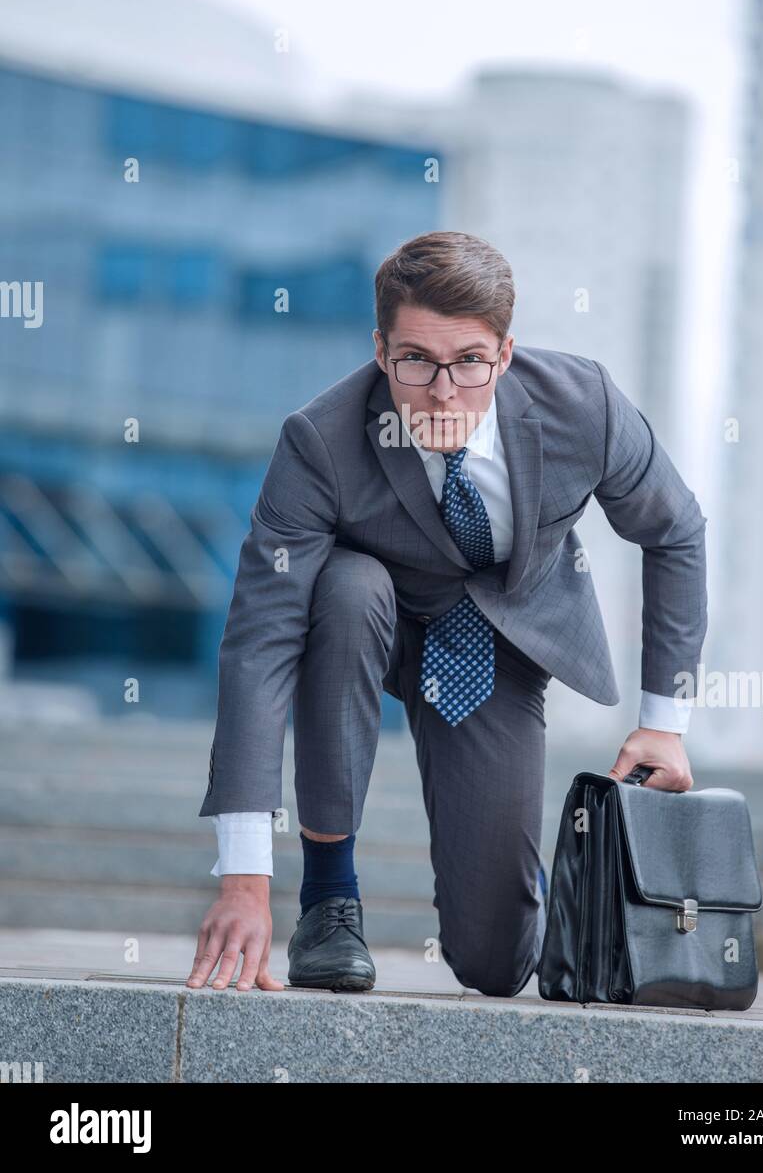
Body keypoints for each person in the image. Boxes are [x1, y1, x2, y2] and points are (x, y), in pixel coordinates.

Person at [186, 230, 705, 998]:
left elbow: (676, 531)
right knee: (350, 586)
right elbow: (260, 643)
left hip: (498, 643)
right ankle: (330, 899)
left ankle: (505, 863)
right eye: (414, 360)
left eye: (468, 361)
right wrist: (242, 877)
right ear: (379, 349)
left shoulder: (581, 406)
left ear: (503, 353)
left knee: (496, 966)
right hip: (370, 623)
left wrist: (666, 719)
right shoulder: (317, 443)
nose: (440, 391)